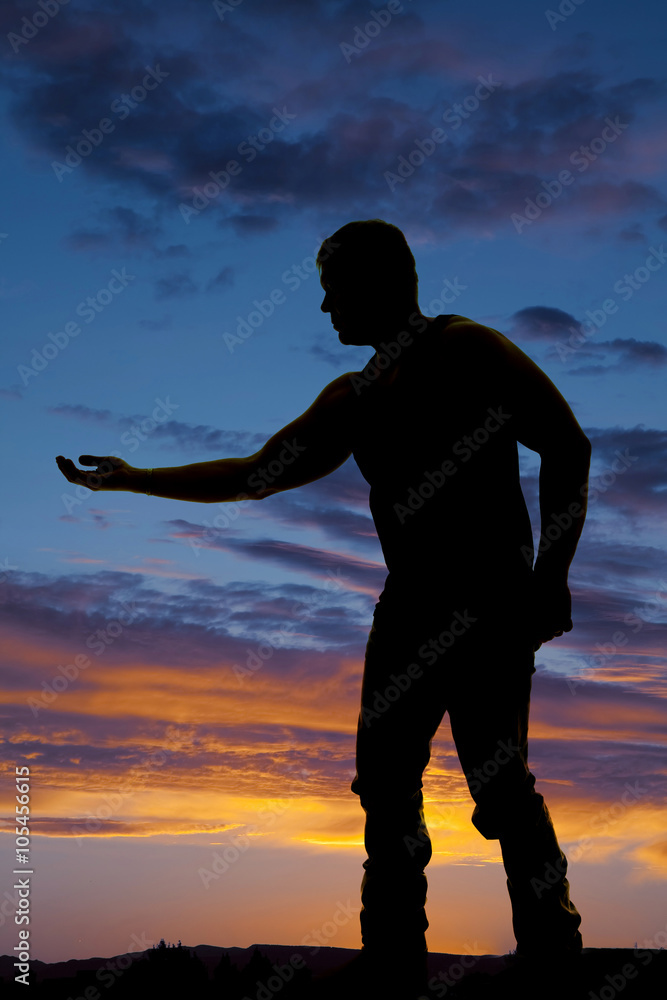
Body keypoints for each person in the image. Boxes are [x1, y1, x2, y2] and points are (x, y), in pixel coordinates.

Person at [56, 219, 591, 999]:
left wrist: (550, 577)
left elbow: (566, 444)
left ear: (384, 284)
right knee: (384, 795)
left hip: (488, 603)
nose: (323, 309)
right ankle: (394, 982)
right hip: (405, 610)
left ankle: (557, 971)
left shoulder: (471, 350)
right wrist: (134, 478)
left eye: (333, 290)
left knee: (501, 791)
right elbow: (254, 473)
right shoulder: (353, 396)